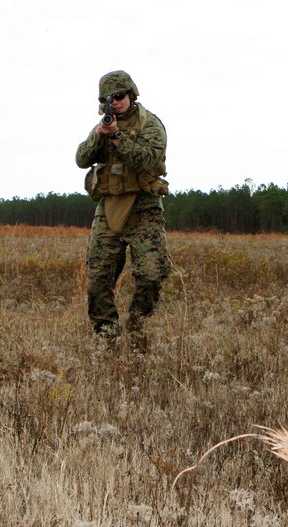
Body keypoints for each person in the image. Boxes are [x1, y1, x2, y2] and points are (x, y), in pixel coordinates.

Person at [75, 70, 171, 349]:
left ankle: (138, 326)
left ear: (131, 95)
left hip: (143, 207)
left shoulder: (150, 124)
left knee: (151, 274)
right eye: (109, 98)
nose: (114, 102)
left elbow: (147, 160)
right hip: (109, 207)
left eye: (119, 96)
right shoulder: (103, 126)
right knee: (97, 280)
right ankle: (107, 338)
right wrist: (99, 134)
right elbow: (81, 159)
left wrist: (117, 136)